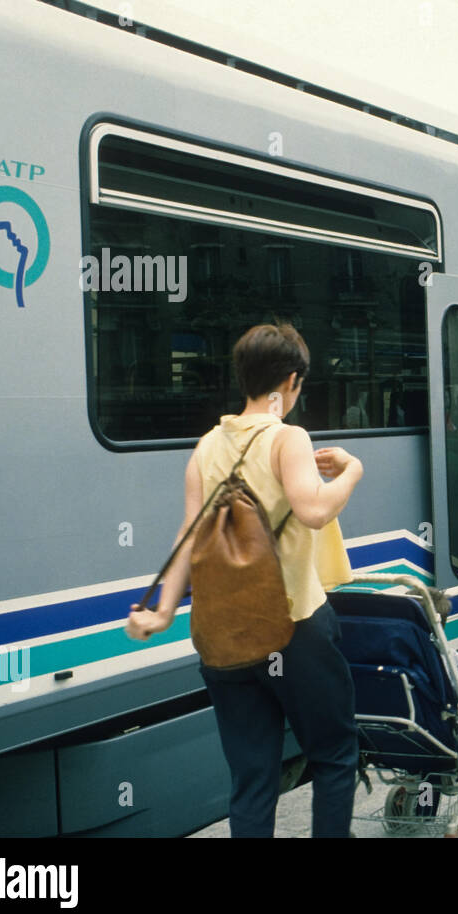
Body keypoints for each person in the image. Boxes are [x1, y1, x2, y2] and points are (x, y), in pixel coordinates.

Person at [125, 322, 362, 838]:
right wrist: (351, 472)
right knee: (335, 755)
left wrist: (164, 610)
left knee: (252, 779)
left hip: (226, 637)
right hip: (295, 627)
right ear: (293, 382)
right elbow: (314, 509)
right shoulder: (287, 437)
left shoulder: (207, 446)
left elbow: (186, 539)